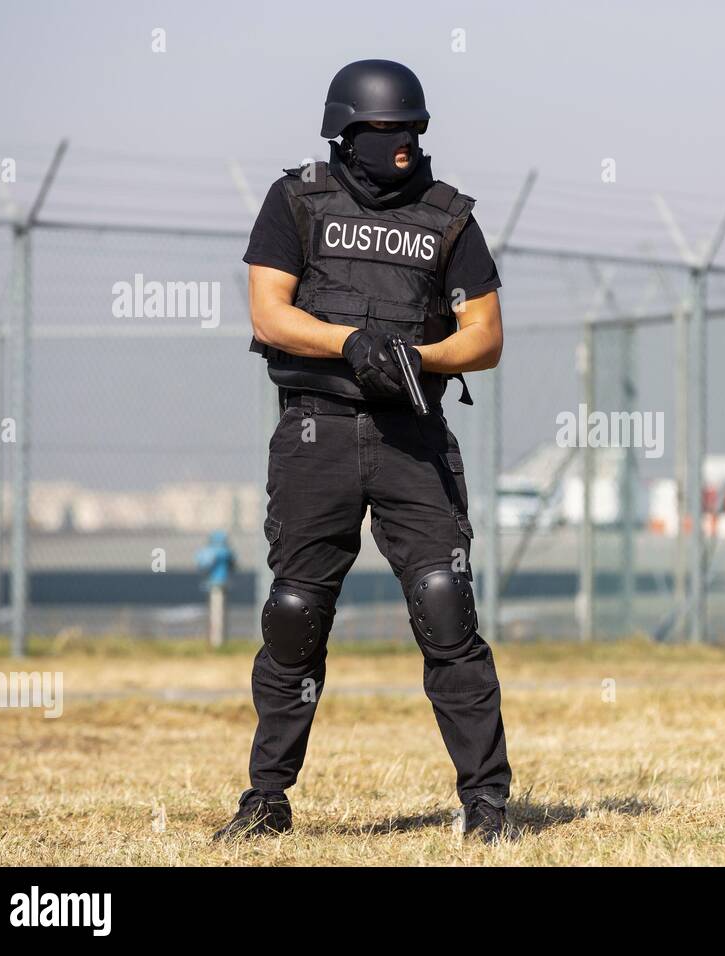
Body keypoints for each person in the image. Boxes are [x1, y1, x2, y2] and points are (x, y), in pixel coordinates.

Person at [212, 59, 511, 844]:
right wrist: (353, 343)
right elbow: (270, 314)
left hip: (413, 435)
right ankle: (266, 798)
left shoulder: (450, 217)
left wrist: (419, 357)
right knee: (295, 614)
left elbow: (486, 337)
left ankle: (486, 805)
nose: (402, 145)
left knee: (448, 609)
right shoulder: (296, 201)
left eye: (411, 130)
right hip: (319, 432)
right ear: (347, 133)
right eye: (385, 132)